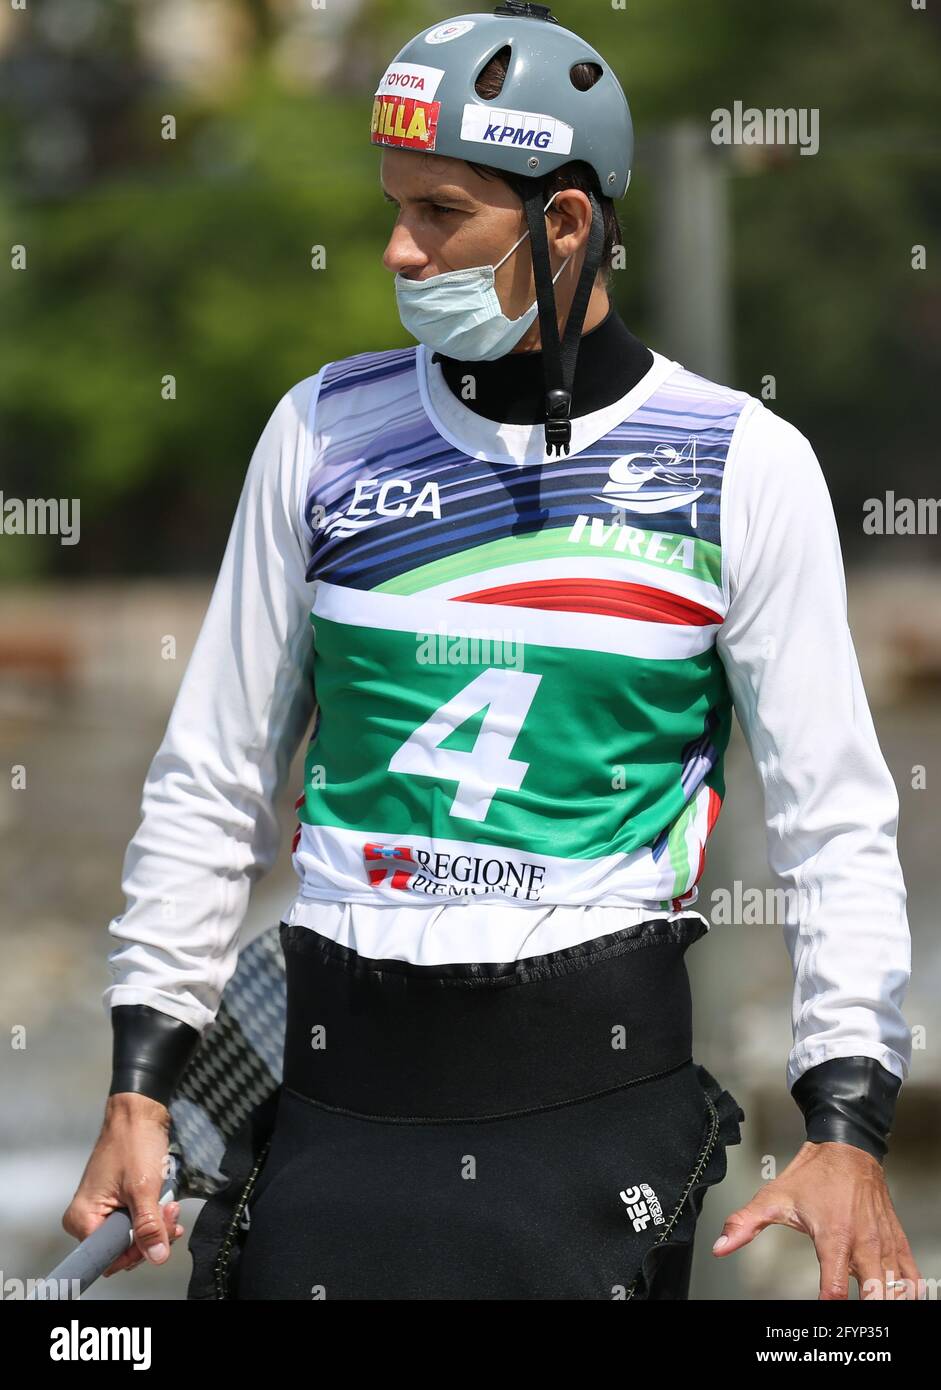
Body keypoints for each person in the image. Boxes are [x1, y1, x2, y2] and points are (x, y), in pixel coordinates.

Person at [63, 3, 918, 1301]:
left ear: (563, 224)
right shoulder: (320, 432)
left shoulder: (741, 464)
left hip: (587, 1111)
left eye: (442, 214)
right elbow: (209, 778)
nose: (400, 250)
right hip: (334, 1097)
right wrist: (142, 1084)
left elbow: (834, 826)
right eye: (392, 207)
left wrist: (845, 1124)